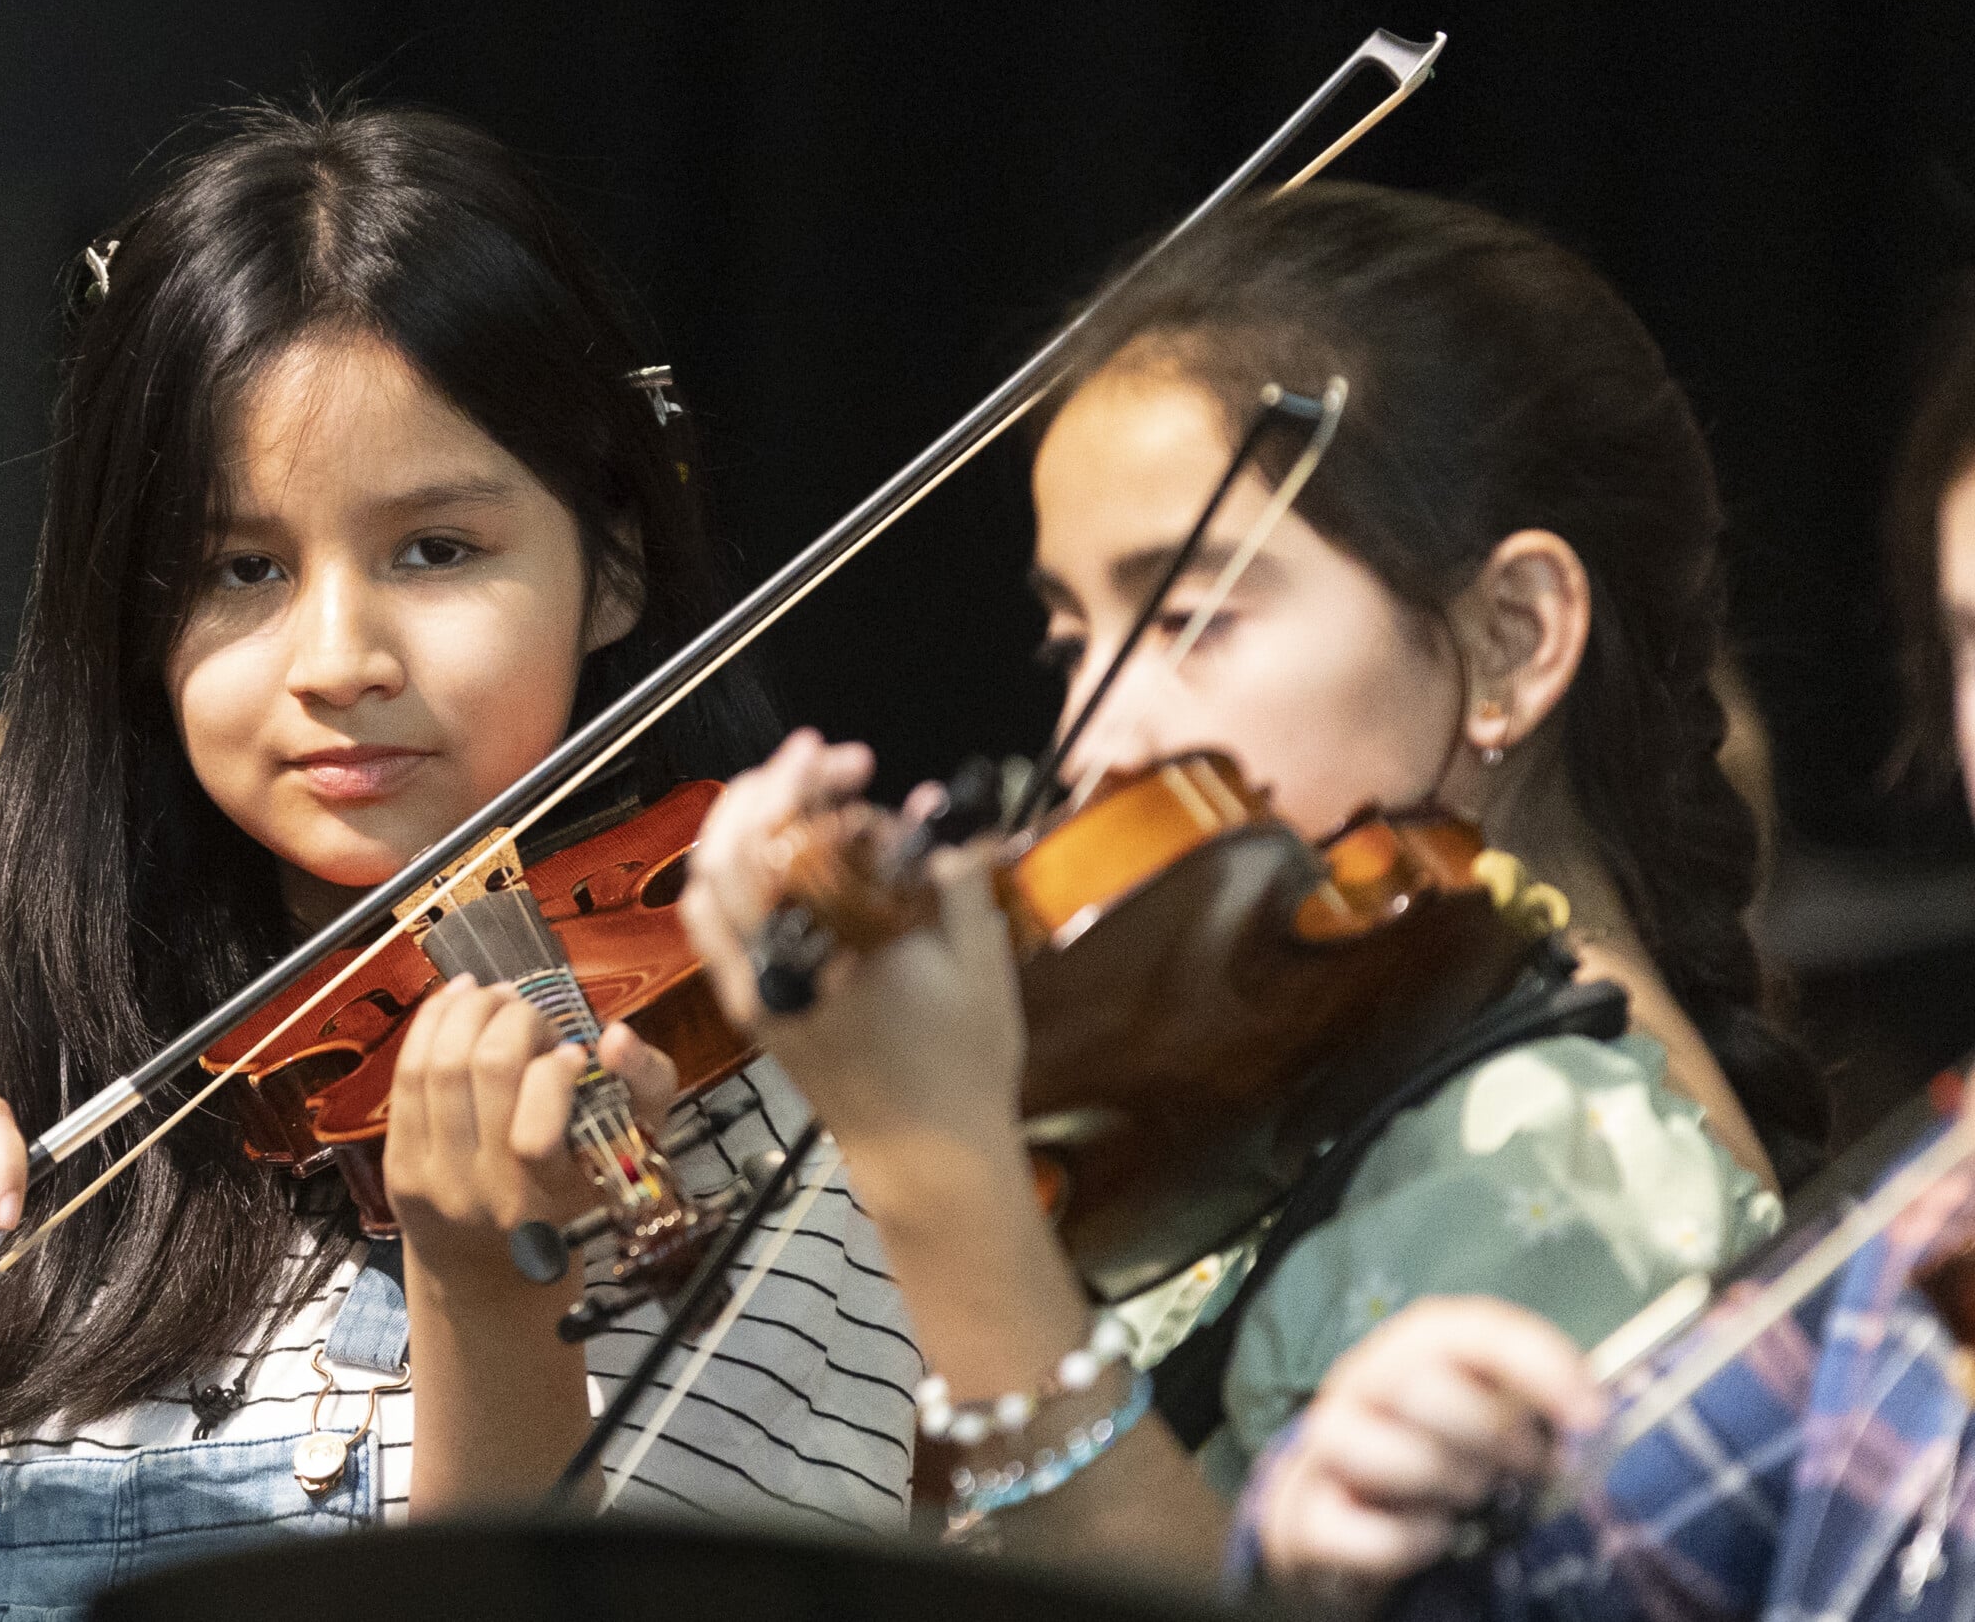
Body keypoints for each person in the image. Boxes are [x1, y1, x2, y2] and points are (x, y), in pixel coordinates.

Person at [0, 101, 918, 1622]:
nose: (338, 658)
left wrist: (484, 1296)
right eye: (240, 569)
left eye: (437, 551)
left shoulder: (759, 1129)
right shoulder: (37, 1143)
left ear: (612, 568)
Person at [680, 182, 1820, 1574]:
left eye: (1199, 616)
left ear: (1516, 640)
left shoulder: (1571, 1155)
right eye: (1070, 643)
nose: (1093, 737)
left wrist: (943, 1170)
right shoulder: (1343, 1074)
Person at [1237, 280, 1975, 1622]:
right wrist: (1337, 1545)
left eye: (1198, 621)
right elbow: (1581, 1584)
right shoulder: (1929, 1234)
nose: (1095, 740)